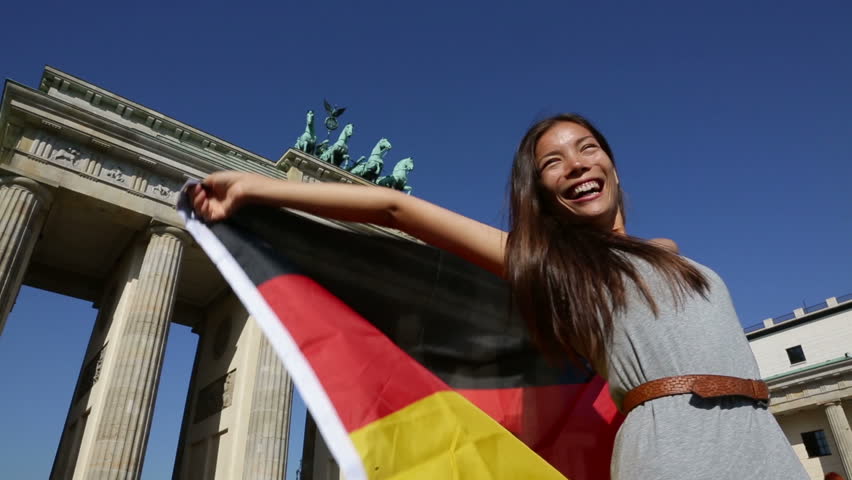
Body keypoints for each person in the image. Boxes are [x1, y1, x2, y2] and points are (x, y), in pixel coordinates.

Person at [189, 113, 807, 479]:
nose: (575, 164)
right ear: (541, 195)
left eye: (587, 148)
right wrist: (257, 189)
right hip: (673, 449)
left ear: (614, 166)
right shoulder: (558, 269)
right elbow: (396, 208)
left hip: (761, 438)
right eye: (552, 163)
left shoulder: (671, 253)